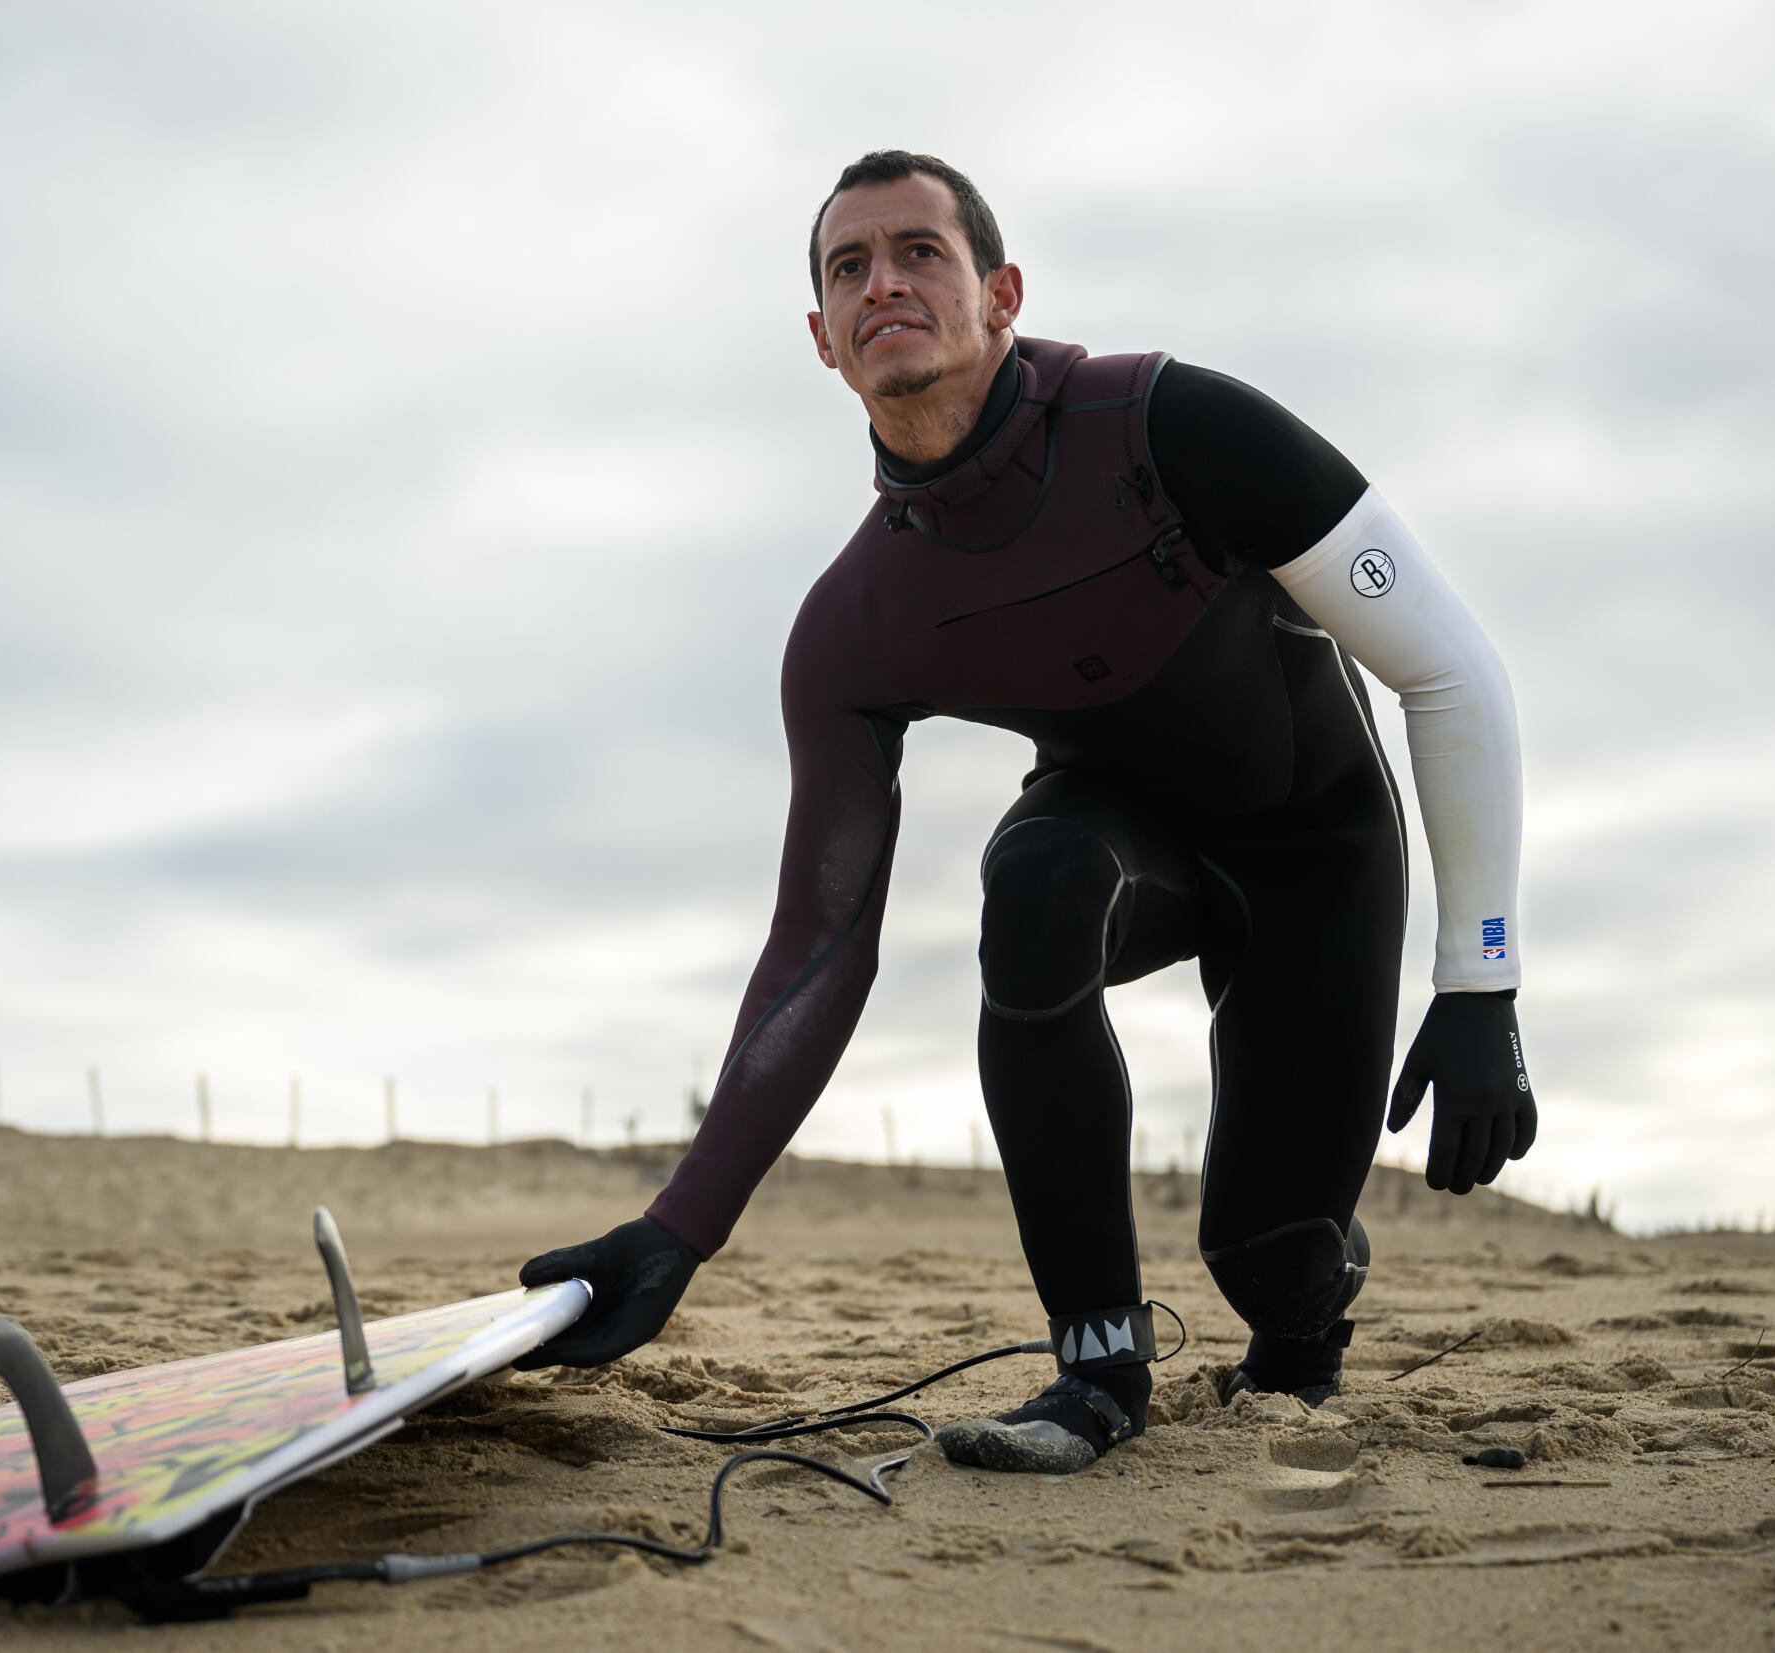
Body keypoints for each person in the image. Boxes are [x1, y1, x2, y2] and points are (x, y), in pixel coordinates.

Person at [518, 151, 1536, 1474]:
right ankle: (1097, 1369)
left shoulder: (1178, 429)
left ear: (1001, 294)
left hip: (1313, 851)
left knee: (1271, 1259)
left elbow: (1451, 669)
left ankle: (1300, 1327)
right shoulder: (857, 624)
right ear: (822, 341)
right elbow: (820, 943)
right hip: (1120, 833)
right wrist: (679, 1227)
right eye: (847, 267)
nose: (881, 280)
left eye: (918, 252)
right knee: (1038, 878)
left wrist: (1483, 987)